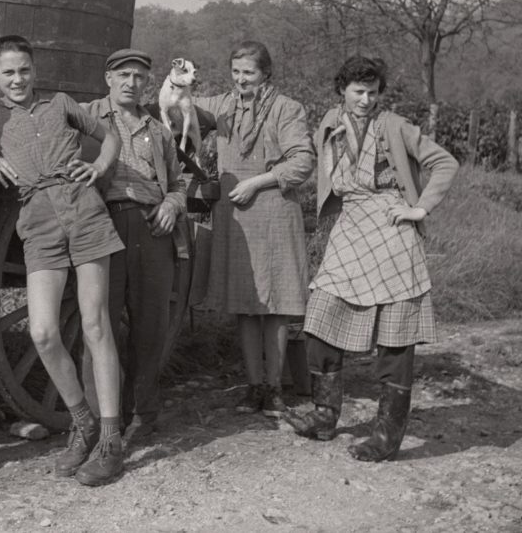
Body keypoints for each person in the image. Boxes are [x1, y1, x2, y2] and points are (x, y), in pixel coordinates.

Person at [0, 35, 126, 485]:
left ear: (35, 71)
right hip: (37, 222)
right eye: (8, 72)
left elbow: (111, 137)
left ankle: (110, 441)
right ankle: (82, 422)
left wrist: (99, 168)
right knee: (43, 331)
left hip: (85, 212)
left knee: (95, 325)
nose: (18, 79)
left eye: (25, 70)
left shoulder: (62, 103)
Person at [285, 56, 458, 462]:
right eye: (358, 92)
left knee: (396, 333)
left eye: (373, 93)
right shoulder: (330, 123)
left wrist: (420, 209)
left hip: (392, 227)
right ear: (342, 91)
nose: (366, 100)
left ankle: (387, 436)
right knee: (323, 314)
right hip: (351, 226)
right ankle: (324, 416)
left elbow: (444, 162)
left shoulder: (395, 126)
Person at [195, 41, 315, 417]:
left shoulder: (287, 109)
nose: (241, 80)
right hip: (238, 219)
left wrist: (257, 182)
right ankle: (253, 387)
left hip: (274, 211)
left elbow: (302, 161)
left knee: (275, 306)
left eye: (249, 73)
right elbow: (181, 108)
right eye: (236, 72)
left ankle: (276, 389)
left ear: (266, 74)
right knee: (245, 306)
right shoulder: (221, 106)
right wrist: (177, 86)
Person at [79, 48, 188, 444]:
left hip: (150, 228)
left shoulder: (157, 130)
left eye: (140, 77)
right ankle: (98, 421)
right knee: (98, 324)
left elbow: (178, 183)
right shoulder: (84, 116)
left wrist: (172, 206)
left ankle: (144, 415)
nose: (131, 83)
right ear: (107, 78)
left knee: (149, 326)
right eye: (123, 75)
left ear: (148, 84)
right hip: (101, 224)